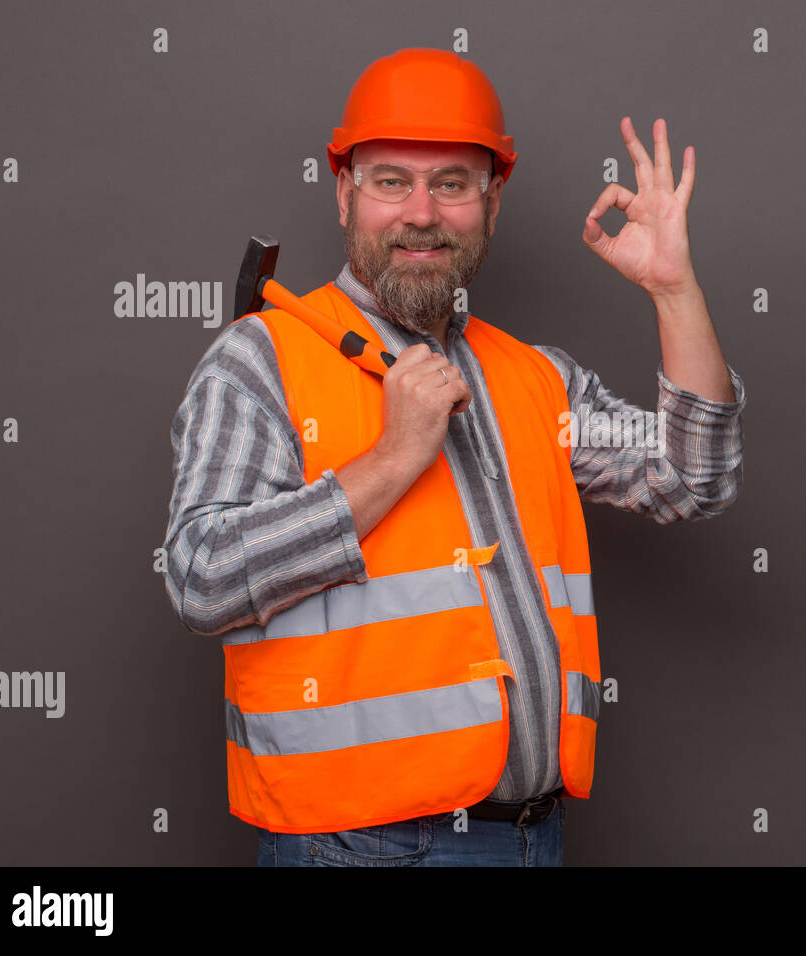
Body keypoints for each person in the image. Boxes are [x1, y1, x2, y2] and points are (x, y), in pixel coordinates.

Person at [162, 48, 746, 867]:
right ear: (344, 193)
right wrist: (395, 457)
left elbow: (697, 476)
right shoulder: (260, 363)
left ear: (492, 202)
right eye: (391, 180)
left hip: (534, 838)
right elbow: (200, 578)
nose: (421, 213)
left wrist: (675, 293)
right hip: (358, 851)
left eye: (452, 184)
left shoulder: (538, 380)